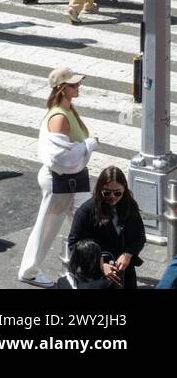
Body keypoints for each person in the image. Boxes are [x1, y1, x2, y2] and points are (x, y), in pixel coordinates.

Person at [18, 68, 97, 287]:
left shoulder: (67, 109)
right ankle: (29, 271)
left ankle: (93, 264)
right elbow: (62, 157)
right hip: (60, 180)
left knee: (88, 222)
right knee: (47, 227)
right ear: (61, 89)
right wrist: (88, 146)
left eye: (77, 84)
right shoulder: (60, 117)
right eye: (73, 85)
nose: (78, 87)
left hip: (72, 179)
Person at [66, 166, 146, 289]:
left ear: (124, 188)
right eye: (107, 192)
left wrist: (128, 254)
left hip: (123, 269)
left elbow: (139, 236)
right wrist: (100, 264)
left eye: (117, 192)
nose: (112, 197)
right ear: (100, 190)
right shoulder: (86, 211)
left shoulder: (129, 205)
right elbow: (74, 244)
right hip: (95, 273)